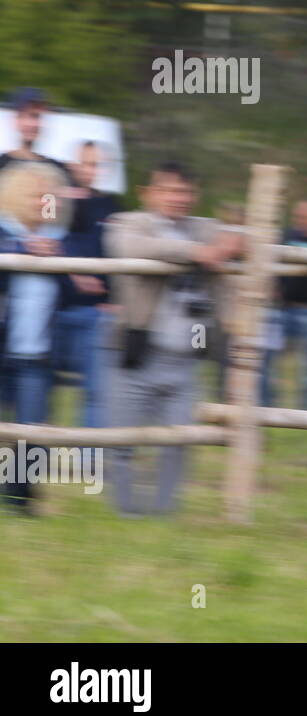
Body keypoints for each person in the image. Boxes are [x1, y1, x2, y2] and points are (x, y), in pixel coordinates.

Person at [102, 161, 243, 516]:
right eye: (167, 190)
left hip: (185, 358)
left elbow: (249, 237)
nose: (177, 198)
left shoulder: (203, 227)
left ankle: (164, 515)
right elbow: (127, 245)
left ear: (194, 196)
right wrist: (198, 253)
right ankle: (125, 513)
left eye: (184, 191)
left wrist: (234, 241)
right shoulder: (131, 222)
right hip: (137, 354)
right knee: (120, 439)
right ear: (148, 193)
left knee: (179, 442)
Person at [0, 164, 74, 513]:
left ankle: (18, 500)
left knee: (34, 432)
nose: (41, 202)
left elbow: (78, 292)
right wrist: (22, 248)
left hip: (39, 355)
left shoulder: (62, 241)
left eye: (48, 196)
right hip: (4, 348)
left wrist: (61, 261)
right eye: (34, 195)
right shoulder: (4, 232)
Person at [53, 141, 120, 456]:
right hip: (55, 310)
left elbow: (119, 252)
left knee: (96, 390)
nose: (91, 170)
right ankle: (33, 457)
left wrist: (115, 298)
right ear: (75, 165)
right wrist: (73, 273)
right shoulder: (55, 201)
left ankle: (88, 459)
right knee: (40, 386)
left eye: (97, 165)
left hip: (96, 313)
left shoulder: (110, 206)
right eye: (86, 163)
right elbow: (45, 238)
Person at [260, 200, 307, 411]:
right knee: (266, 359)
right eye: (302, 218)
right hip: (282, 308)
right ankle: (266, 406)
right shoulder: (287, 237)